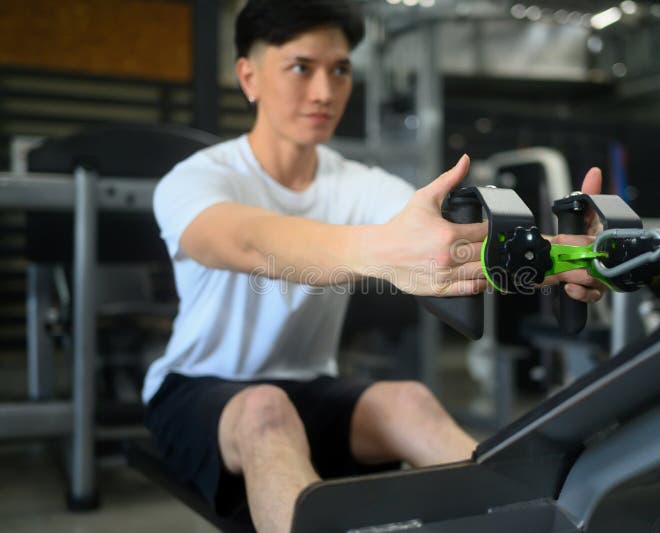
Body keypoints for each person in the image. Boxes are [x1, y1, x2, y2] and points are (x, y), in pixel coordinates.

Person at [142, 1, 605, 531]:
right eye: (301, 67)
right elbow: (246, 243)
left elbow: (446, 244)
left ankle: (547, 522)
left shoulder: (358, 183)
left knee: (408, 400)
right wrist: (383, 253)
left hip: (311, 385)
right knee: (264, 411)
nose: (325, 91)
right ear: (249, 75)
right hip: (197, 390)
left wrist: (563, 255)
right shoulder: (198, 178)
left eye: (339, 70)